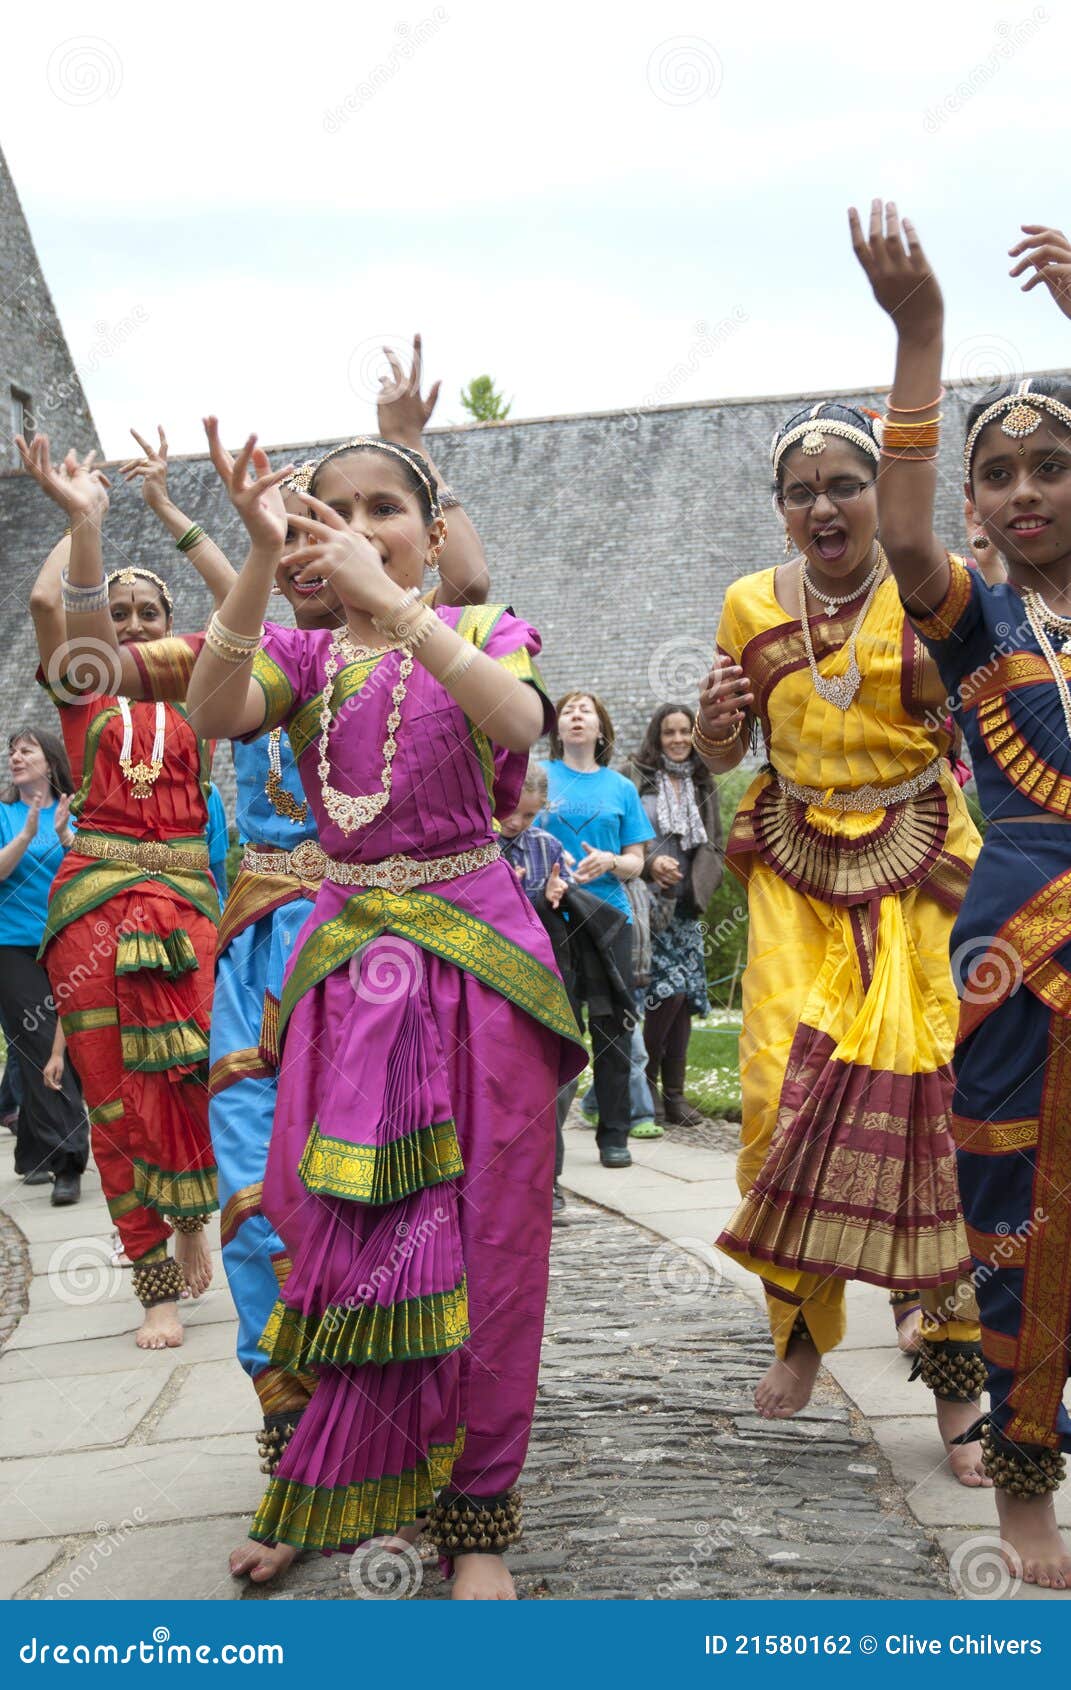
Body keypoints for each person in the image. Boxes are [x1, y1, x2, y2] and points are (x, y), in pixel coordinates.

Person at [186, 422, 584, 1598]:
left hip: (477, 965)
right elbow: (214, 708)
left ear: (429, 529)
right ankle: (335, 1477)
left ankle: (479, 1520)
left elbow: (518, 726)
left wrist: (399, 611)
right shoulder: (304, 662)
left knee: (489, 1230)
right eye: (330, 512)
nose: (358, 529)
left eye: (384, 509)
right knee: (333, 1227)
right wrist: (260, 558)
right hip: (350, 969)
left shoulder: (474, 632)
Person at [695, 390, 987, 1484]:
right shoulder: (743, 605)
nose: (825, 506)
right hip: (796, 865)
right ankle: (803, 1333)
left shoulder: (934, 592)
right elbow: (728, 749)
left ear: (881, 496)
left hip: (926, 868)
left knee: (933, 1110)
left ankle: (959, 1389)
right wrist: (720, 724)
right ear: (780, 509)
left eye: (846, 485)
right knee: (778, 1092)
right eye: (802, 491)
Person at [851, 202, 1071, 1586]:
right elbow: (898, 530)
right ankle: (1025, 1497)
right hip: (1014, 963)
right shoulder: (977, 621)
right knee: (1012, 1219)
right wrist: (921, 338)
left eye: (1052, 464)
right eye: (999, 475)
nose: (1023, 490)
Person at [18, 431, 234, 1351]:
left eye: (151, 611)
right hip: (92, 908)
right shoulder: (85, 696)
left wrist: (168, 513)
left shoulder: (209, 695)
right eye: (122, 613)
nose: (138, 623)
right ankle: (155, 1288)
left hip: (186, 910)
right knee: (112, 1104)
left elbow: (242, 599)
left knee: (188, 1083)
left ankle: (192, 1223)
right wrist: (85, 520)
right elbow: (48, 600)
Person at [540, 693, 655, 1169]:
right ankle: (548, 1144)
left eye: (585, 709)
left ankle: (614, 1134)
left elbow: (637, 861)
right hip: (551, 915)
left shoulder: (621, 787)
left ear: (601, 728)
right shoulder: (540, 778)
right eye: (568, 710)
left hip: (610, 917)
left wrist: (610, 860)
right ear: (558, 729)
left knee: (613, 1029)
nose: (576, 715)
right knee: (559, 1027)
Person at [0, 726, 88, 1202]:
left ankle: (32, 1149)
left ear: (49, 762)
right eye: (12, 751)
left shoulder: (73, 806)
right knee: (36, 1042)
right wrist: (28, 834)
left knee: (63, 1042)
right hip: (12, 945)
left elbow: (93, 868)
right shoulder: (3, 812)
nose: (15, 757)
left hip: (67, 940)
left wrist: (63, 834)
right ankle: (69, 1160)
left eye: (25, 750)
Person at [631, 703, 724, 1128]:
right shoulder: (639, 780)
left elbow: (716, 845)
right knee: (662, 996)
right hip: (650, 904)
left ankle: (675, 1096)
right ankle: (643, 1088)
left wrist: (703, 883)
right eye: (669, 732)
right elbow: (627, 835)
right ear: (658, 737)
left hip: (686, 908)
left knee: (683, 999)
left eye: (685, 731)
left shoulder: (704, 783)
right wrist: (651, 864)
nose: (678, 739)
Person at [500, 759, 571, 1207]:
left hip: (541, 976)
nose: (517, 822)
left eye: (528, 815)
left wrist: (556, 898)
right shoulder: (478, 846)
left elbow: (567, 914)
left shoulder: (547, 847)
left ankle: (551, 1179)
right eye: (510, 810)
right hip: (491, 975)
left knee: (555, 1080)